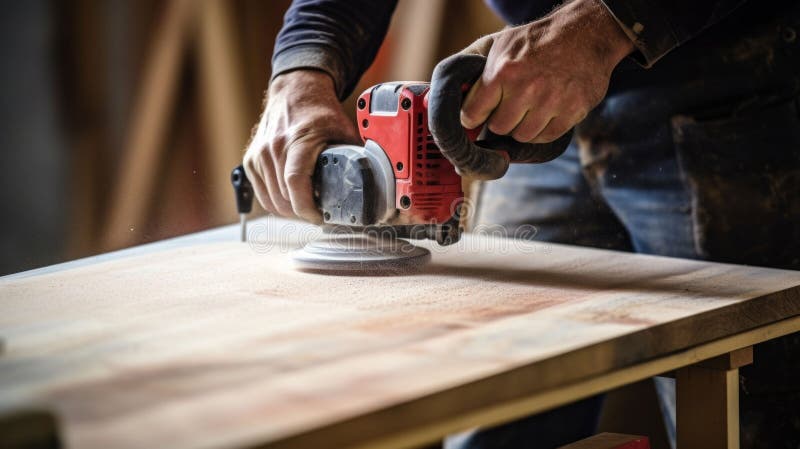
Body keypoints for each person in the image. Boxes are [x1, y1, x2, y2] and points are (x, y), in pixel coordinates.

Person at [243, 0, 800, 447]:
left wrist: (604, 22)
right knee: (493, 407)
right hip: (532, 111)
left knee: (747, 407)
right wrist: (300, 71)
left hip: (736, 98)